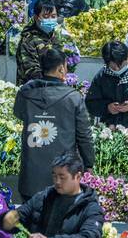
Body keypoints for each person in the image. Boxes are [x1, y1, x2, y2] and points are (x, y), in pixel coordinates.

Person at [13, 47, 96, 199]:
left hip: (31, 175)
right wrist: (89, 163)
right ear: (61, 68)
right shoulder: (73, 98)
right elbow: (84, 135)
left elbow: (18, 113)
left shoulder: (26, 94)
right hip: (64, 175)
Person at [16, 0, 60, 84]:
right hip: (33, 90)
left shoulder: (56, 37)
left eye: (53, 16)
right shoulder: (28, 40)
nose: (50, 19)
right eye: (46, 16)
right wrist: (52, 82)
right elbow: (31, 71)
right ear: (36, 18)